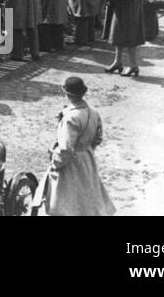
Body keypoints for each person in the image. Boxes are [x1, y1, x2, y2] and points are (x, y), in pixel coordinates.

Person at [45, 77, 115, 216]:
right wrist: (87, 151)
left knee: (67, 202)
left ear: (67, 94)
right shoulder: (93, 112)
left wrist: (55, 162)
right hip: (87, 159)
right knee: (87, 199)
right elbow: (98, 137)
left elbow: (65, 148)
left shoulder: (70, 117)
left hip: (71, 163)